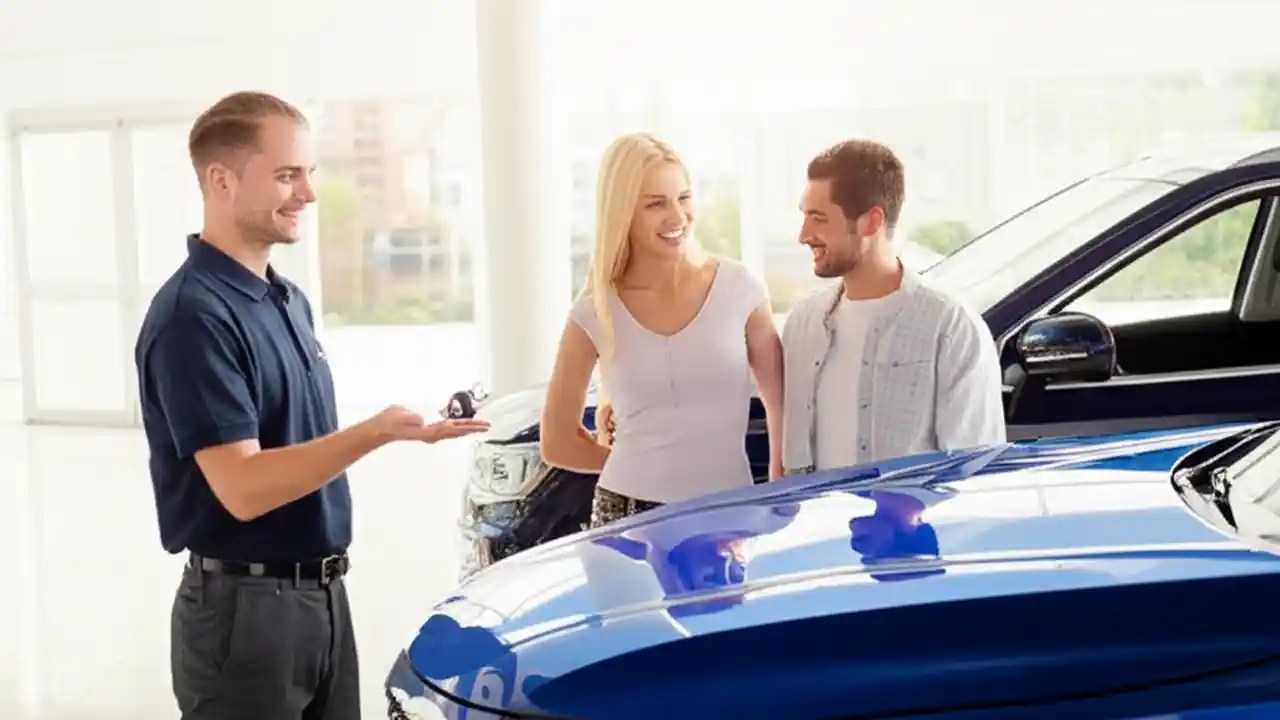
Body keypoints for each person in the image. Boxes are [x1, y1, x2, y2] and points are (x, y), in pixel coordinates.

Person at [133, 91, 489, 719]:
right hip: (243, 617)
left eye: (309, 174)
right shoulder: (194, 316)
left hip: (321, 598)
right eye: (286, 175)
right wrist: (375, 432)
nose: (308, 194)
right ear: (220, 180)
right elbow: (241, 487)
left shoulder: (286, 298)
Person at [540, 132, 785, 528]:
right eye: (656, 204)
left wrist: (780, 487)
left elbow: (780, 404)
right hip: (627, 517)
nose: (677, 216)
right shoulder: (593, 312)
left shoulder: (740, 288)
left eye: (684, 198)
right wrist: (639, 468)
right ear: (622, 213)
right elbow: (556, 443)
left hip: (729, 510)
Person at [781, 139, 1006, 475]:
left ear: (871, 222)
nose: (804, 235)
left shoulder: (951, 329)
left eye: (819, 218)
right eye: (805, 216)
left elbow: (974, 473)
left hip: (918, 529)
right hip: (823, 527)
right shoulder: (802, 324)